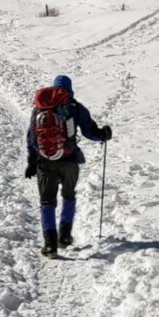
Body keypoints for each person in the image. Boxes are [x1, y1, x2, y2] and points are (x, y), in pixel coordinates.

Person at [23, 74, 112, 258]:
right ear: (70, 89)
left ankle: (50, 246)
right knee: (69, 196)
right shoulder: (75, 107)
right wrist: (103, 134)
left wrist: (32, 161)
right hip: (69, 160)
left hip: (45, 162)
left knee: (47, 202)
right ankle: (64, 237)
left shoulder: (40, 108)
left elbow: (32, 136)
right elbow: (90, 131)